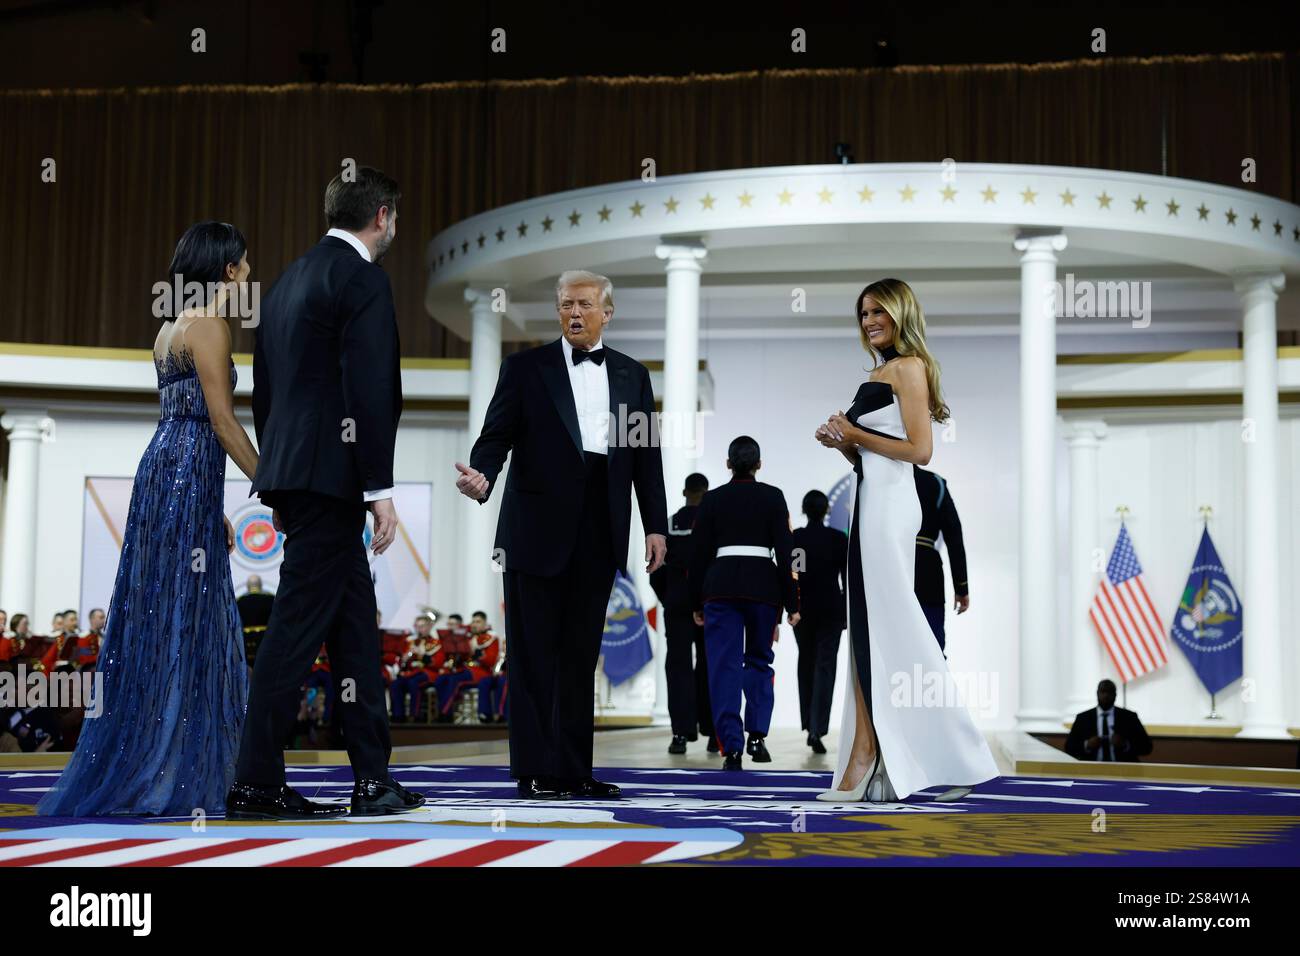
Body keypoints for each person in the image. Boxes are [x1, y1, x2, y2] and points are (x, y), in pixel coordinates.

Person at [37, 221, 258, 817]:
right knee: (189, 619)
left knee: (161, 615)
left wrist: (211, 506)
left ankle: (156, 761)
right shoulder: (210, 325)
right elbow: (221, 422)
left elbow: (187, 416)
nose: (248, 276)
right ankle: (176, 770)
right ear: (227, 269)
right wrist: (273, 485)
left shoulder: (170, 327)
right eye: (244, 266)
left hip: (164, 471)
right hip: (187, 469)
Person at [228, 166, 424, 820]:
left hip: (299, 475)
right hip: (334, 481)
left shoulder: (287, 280)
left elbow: (266, 394)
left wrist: (279, 482)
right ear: (382, 216)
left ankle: (373, 778)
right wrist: (379, 487)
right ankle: (255, 781)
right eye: (394, 217)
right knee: (292, 631)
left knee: (354, 633)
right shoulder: (362, 279)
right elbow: (371, 387)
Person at [455, 269, 668, 800]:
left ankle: (574, 771)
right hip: (534, 529)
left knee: (579, 656)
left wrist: (656, 526)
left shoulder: (633, 375)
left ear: (607, 313)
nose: (574, 313)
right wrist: (482, 476)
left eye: (585, 305)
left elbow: (646, 458)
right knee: (532, 656)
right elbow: (496, 436)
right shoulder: (525, 368)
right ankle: (533, 770)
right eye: (566, 304)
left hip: (600, 527)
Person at [814, 277, 998, 802]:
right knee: (871, 631)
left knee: (894, 628)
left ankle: (912, 756)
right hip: (871, 500)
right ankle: (876, 753)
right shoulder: (879, 373)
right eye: (863, 313)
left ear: (900, 314)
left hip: (891, 506)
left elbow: (920, 450)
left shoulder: (910, 367)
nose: (869, 321)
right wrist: (842, 445)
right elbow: (873, 455)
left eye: (879, 311)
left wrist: (854, 434)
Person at [689, 436, 799, 770]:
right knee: (759, 662)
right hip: (763, 588)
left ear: (728, 464)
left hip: (720, 588)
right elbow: (787, 552)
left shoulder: (712, 499)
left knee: (723, 667)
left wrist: (696, 601)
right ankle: (757, 737)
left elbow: (698, 554)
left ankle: (732, 749)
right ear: (759, 465)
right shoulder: (774, 496)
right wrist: (792, 602)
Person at [649, 472, 716, 755]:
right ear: (706, 492)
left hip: (676, 605)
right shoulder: (713, 523)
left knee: (678, 667)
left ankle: (680, 733)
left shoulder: (668, 525)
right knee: (710, 666)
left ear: (684, 492)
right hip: (709, 604)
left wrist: (669, 598)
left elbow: (655, 570)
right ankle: (713, 733)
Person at [791, 490, 847, 755]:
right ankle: (817, 727)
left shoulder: (797, 538)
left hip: (804, 610)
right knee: (825, 667)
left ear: (804, 510)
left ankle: (808, 723)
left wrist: (792, 607)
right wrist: (846, 612)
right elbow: (846, 579)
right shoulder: (837, 539)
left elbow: (795, 575)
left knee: (806, 662)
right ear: (827, 511)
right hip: (831, 610)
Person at [912, 467, 969, 655]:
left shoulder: (879, 479)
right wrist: (961, 587)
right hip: (928, 575)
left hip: (890, 571)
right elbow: (954, 537)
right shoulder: (934, 483)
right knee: (931, 648)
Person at [1065, 680, 1154, 762]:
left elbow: (1146, 747)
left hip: (1123, 769)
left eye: (1110, 692)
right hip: (1091, 769)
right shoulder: (1083, 718)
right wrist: (1087, 745)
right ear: (1097, 693)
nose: (1106, 695)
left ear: (1115, 695)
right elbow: (1068, 748)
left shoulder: (1129, 717)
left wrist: (1125, 744)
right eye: (1103, 691)